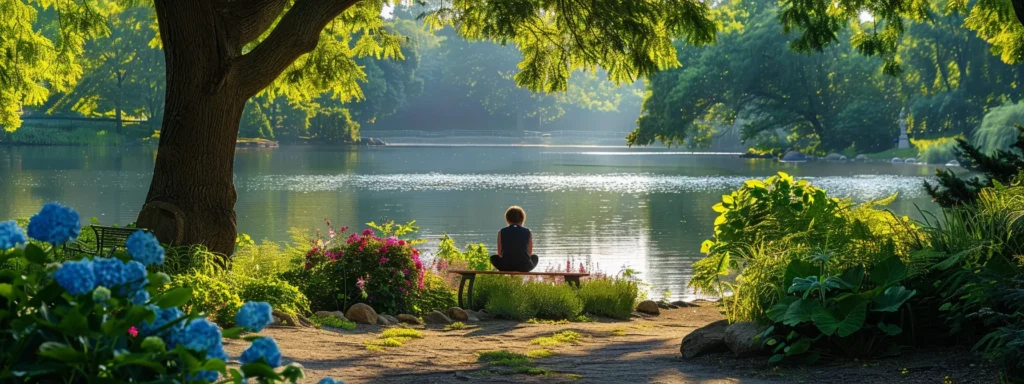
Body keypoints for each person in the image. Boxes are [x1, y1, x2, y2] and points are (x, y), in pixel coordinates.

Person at [491, 205, 539, 272]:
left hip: (505, 267)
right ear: (522, 218)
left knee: (493, 258)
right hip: (524, 267)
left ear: (507, 219)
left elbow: (500, 253)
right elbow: (529, 253)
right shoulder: (528, 232)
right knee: (535, 257)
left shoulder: (501, 232)